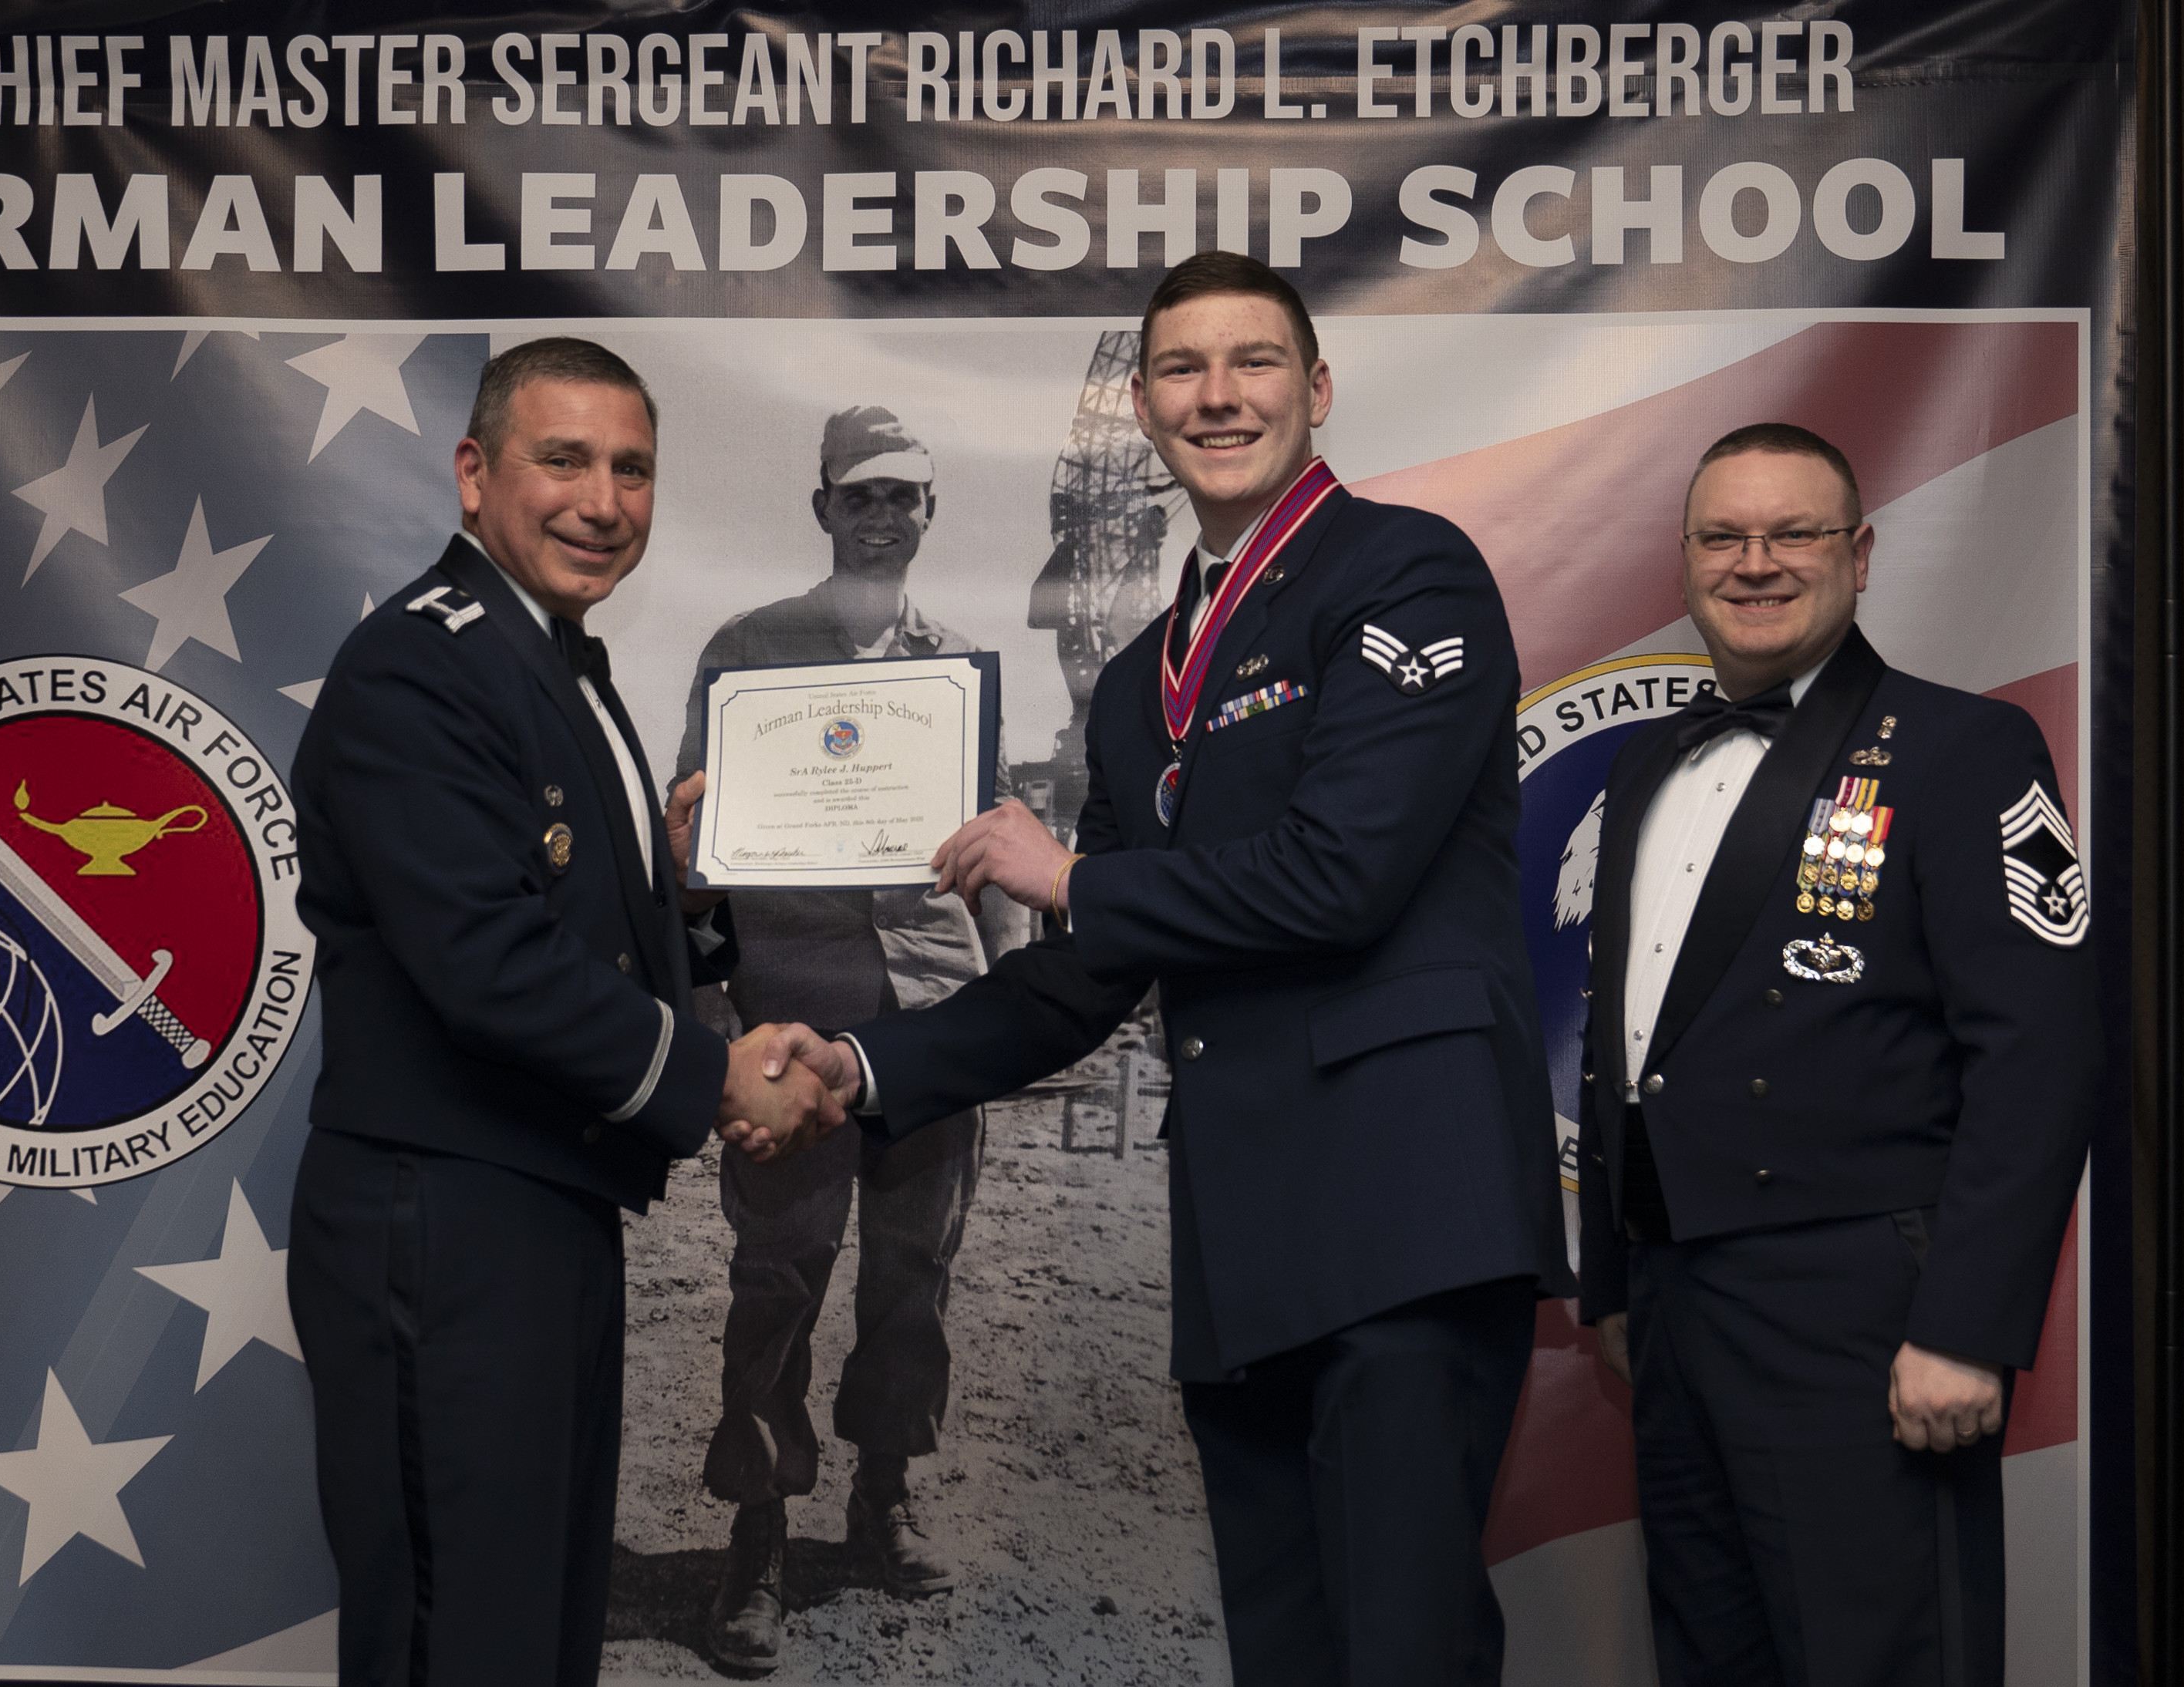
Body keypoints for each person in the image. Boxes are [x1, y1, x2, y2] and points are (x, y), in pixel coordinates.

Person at [780, 252, 1572, 1687]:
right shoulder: (1149, 670)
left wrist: (1074, 875)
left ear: (1316, 388)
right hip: (1244, 1231)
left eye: (1253, 362)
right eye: (1182, 371)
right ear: (1144, 409)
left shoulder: (1409, 572)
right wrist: (863, 1064)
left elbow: (1344, 876)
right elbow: (1088, 974)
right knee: (1286, 1645)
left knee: (1403, 1649)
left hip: (1402, 1207)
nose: (1218, 397)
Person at [285, 336, 835, 1687]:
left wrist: (687, 900)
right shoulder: (420, 667)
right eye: (564, 460)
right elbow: (483, 958)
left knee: (532, 1629)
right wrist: (716, 1075)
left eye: (632, 468)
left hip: (540, 1205)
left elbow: (566, 911)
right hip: (444, 1219)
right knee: (457, 1636)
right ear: (475, 474)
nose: (602, 499)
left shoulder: (551, 659)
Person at [1570, 423, 2098, 1685]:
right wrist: (1610, 1282)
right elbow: (1623, 1040)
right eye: (1723, 537)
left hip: (1865, 1320)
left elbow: (2040, 1053)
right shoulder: (1645, 763)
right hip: (1675, 1305)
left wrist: (1968, 1327)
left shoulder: (1964, 751)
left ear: (1858, 555)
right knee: (1713, 1658)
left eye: (1793, 533)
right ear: (1686, 560)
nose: (1756, 563)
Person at [673, 407, 1029, 1675]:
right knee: (778, 1281)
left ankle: (882, 1494)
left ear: (930, 516)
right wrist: (701, 907)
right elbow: (696, 868)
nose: (883, 517)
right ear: (821, 507)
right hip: (791, 1022)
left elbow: (991, 850)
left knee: (910, 1281)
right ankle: (759, 1531)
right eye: (861, 496)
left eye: (906, 498)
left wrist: (1005, 991)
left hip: (931, 1020)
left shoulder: (965, 663)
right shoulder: (748, 651)